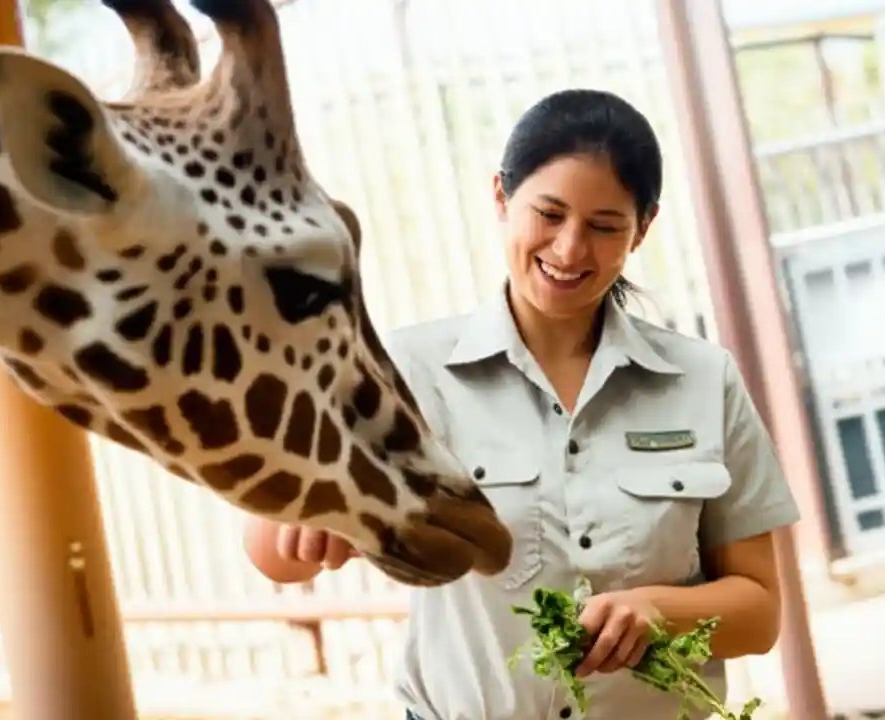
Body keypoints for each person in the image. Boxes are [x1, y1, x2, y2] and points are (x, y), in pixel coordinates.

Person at [240, 88, 801, 720]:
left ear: (642, 229)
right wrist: (310, 518)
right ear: (502, 198)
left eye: (604, 226)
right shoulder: (405, 370)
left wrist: (655, 613)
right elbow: (272, 553)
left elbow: (759, 614)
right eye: (550, 214)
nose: (569, 250)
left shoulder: (703, 380)